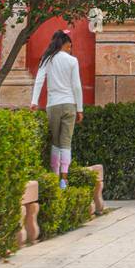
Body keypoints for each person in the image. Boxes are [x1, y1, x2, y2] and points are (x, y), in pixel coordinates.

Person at [31, 29, 83, 189]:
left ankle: (54, 176)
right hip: (69, 105)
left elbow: (39, 80)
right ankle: (64, 180)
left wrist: (34, 102)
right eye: (69, 46)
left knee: (55, 142)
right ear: (65, 44)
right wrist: (80, 108)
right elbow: (77, 86)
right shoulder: (72, 61)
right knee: (66, 142)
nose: (70, 49)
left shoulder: (47, 59)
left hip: (53, 105)